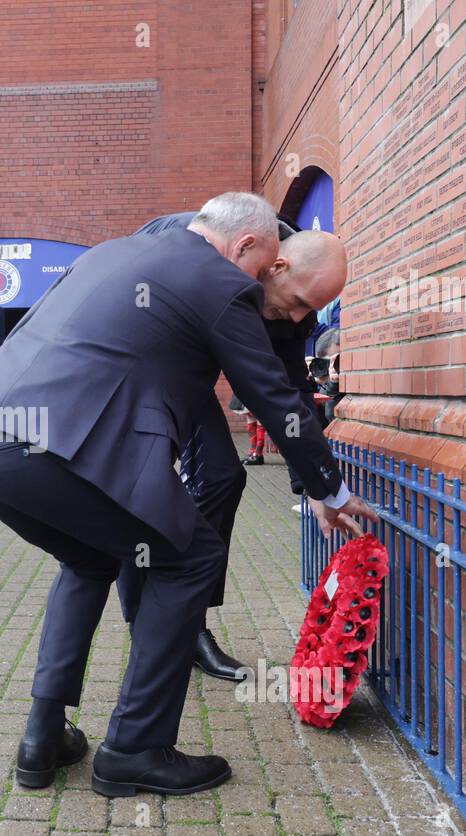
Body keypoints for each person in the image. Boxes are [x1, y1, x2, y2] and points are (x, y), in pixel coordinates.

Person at [0, 192, 376, 797]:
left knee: (88, 559)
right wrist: (331, 488)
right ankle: (135, 748)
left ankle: (43, 735)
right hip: (56, 449)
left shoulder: (118, 250)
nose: (284, 311)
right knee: (190, 557)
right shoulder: (221, 281)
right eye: (289, 294)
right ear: (250, 250)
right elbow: (274, 397)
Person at [117, 210, 332, 680]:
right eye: (297, 303)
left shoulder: (292, 300)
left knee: (222, 476)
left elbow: (287, 387)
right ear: (274, 267)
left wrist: (313, 485)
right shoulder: (193, 243)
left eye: (309, 312)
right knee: (140, 493)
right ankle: (146, 626)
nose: (298, 317)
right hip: (145, 369)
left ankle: (189, 624)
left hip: (192, 377)